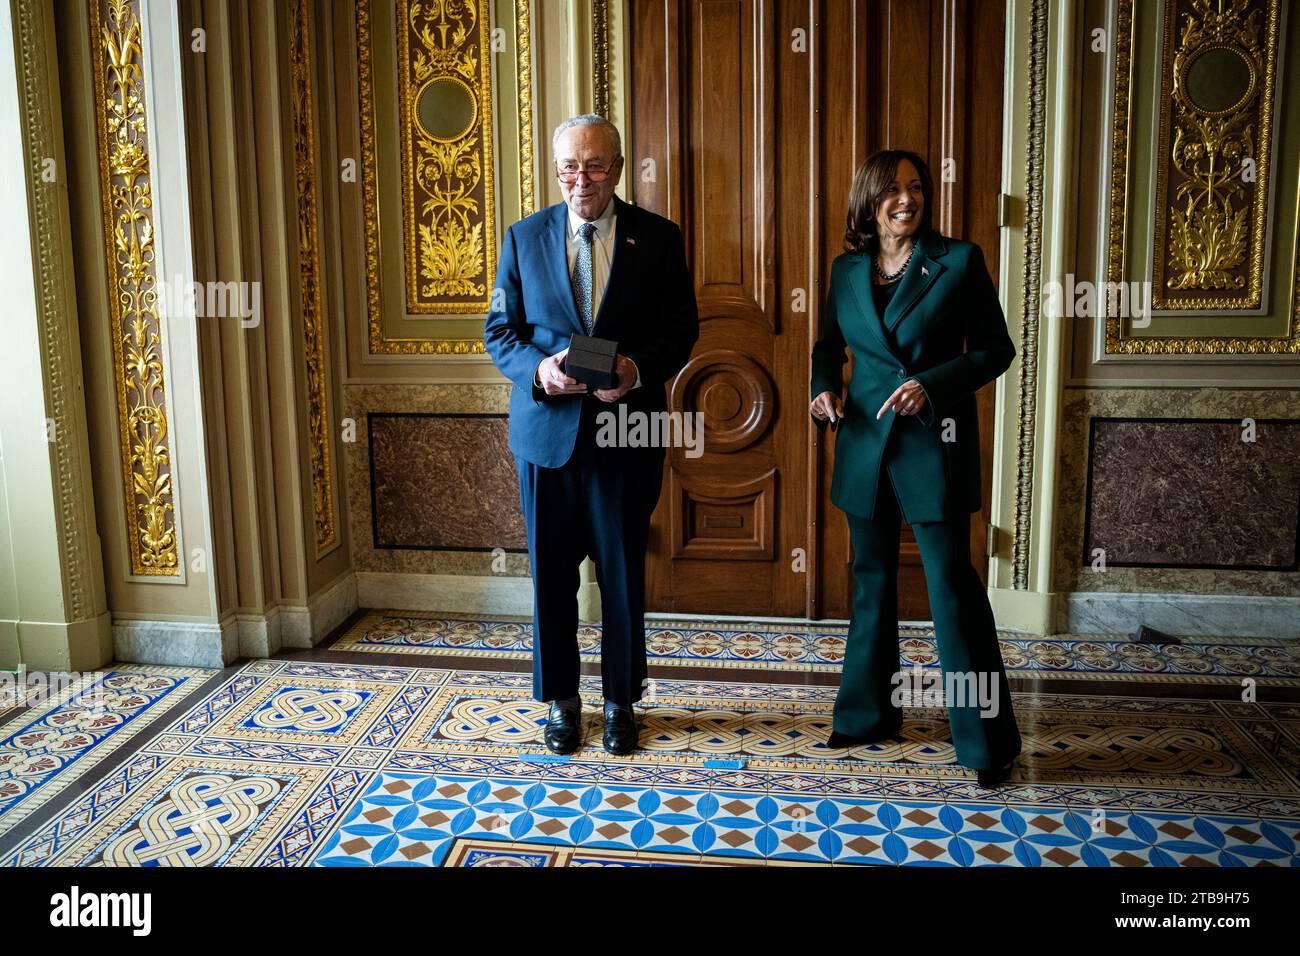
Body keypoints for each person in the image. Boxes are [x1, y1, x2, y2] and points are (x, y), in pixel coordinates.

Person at [484, 114, 699, 756]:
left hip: (625, 434)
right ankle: (562, 703)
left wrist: (636, 369)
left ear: (619, 166)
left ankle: (619, 702)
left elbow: (680, 330)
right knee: (551, 577)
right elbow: (500, 332)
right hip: (547, 436)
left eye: (596, 165)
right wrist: (540, 371)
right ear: (557, 173)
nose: (582, 179)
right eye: (569, 168)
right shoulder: (524, 238)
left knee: (623, 575)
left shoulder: (658, 240)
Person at [809, 149, 1022, 788]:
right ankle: (867, 714)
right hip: (864, 444)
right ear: (869, 201)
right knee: (870, 579)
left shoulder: (959, 260)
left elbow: (996, 350)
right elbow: (826, 349)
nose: (907, 198)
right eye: (893, 189)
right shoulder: (846, 270)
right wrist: (823, 388)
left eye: (916, 187)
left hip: (935, 442)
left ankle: (986, 743)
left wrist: (933, 385)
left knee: (952, 589)